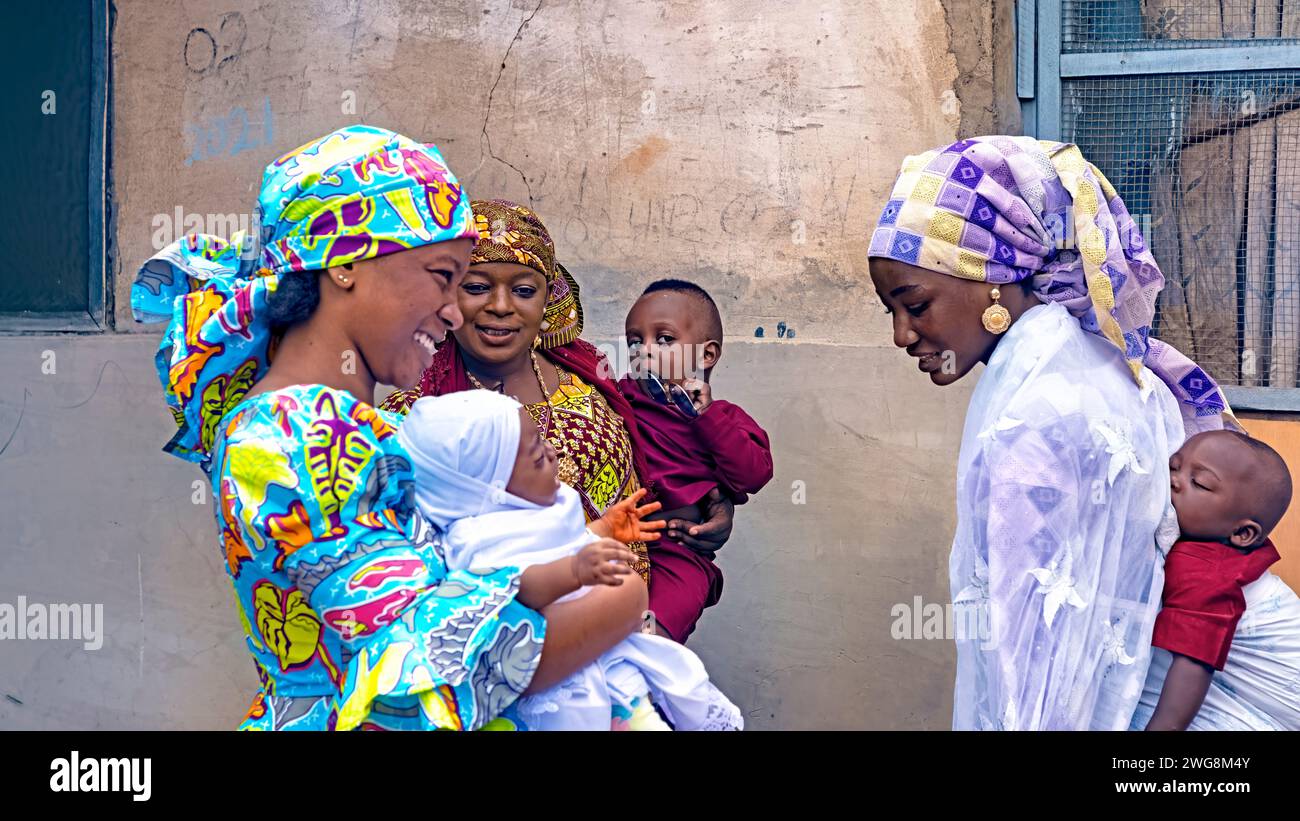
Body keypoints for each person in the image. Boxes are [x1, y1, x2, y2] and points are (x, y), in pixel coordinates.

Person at [132, 125, 645, 730]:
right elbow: (417, 675)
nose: (455, 311)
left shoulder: (347, 424)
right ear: (347, 265)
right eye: (442, 275)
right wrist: (620, 603)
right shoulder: (290, 435)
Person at [868, 135, 1232, 730]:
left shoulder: (1034, 415)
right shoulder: (1092, 362)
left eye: (915, 303)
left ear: (994, 276)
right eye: (891, 311)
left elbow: (1034, 654)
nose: (902, 335)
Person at [381, 200, 738, 581]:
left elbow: (663, 458)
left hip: (619, 616)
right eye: (477, 287)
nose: (500, 306)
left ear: (548, 299)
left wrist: (713, 502)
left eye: (523, 290)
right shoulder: (411, 415)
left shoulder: (590, 384)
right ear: (448, 295)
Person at [398, 389, 744, 730]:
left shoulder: (536, 508)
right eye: (536, 457)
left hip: (606, 657)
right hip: (565, 684)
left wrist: (603, 529)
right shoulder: (481, 538)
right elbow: (514, 585)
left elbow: (557, 545)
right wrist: (573, 572)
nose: (551, 451)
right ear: (493, 489)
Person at [617, 279, 774, 642]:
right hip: (613, 543)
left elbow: (753, 475)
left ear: (706, 355)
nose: (645, 351)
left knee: (650, 639)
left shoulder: (723, 419)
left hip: (678, 553)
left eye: (665, 339)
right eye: (634, 341)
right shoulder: (618, 399)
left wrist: (706, 417)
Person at [1135, 430, 1300, 730]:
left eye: (1199, 483)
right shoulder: (1215, 542)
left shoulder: (1205, 568)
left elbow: (1194, 662)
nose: (1174, 480)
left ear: (1242, 534)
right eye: (1173, 466)